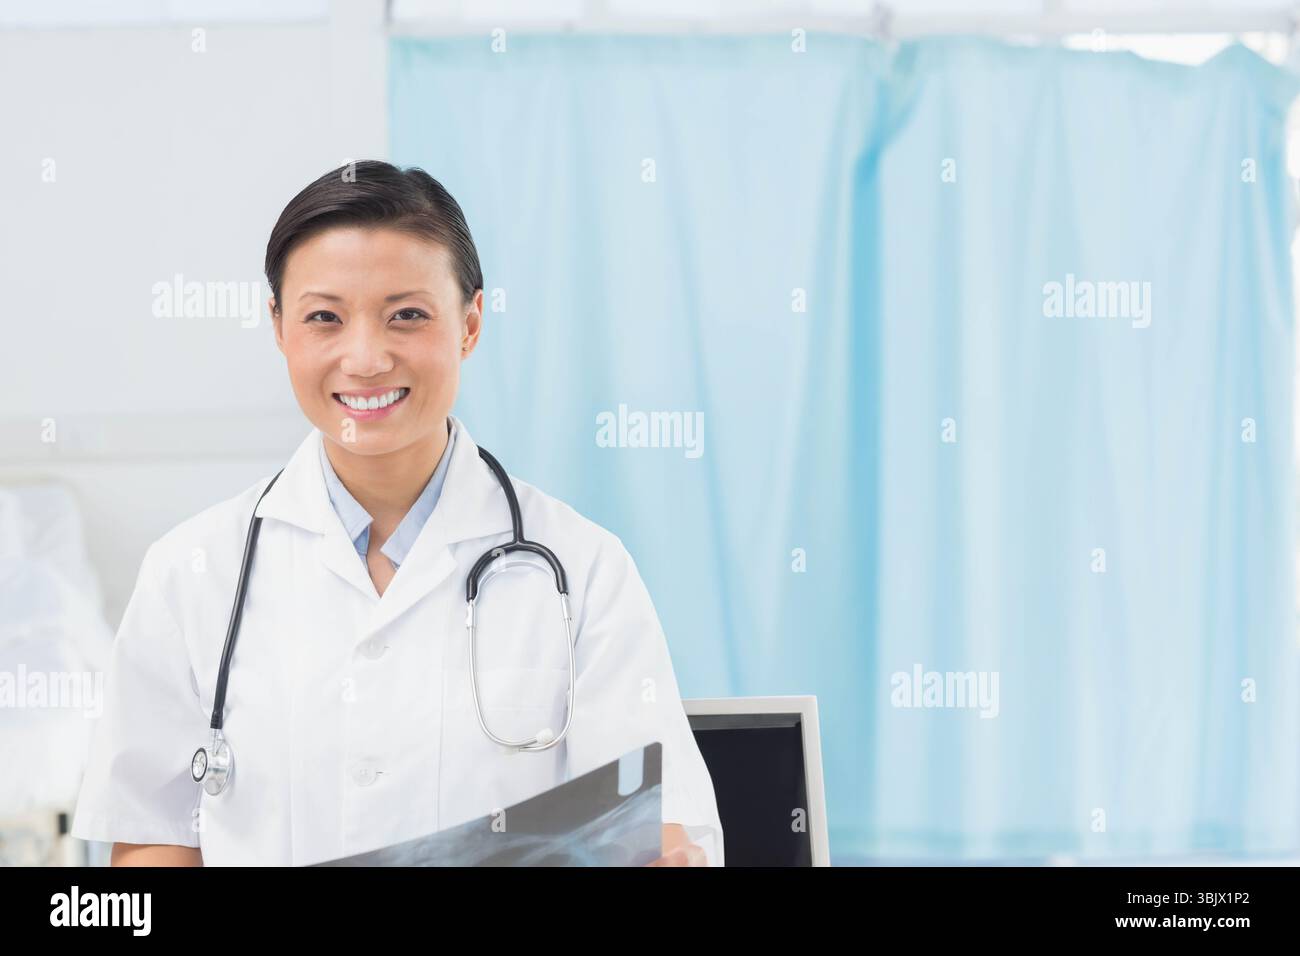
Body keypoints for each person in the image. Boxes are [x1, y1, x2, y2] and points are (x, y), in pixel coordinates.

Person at [70, 161, 723, 867]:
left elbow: (657, 830)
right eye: (325, 317)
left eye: (407, 315)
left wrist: (667, 856)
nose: (366, 357)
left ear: (470, 324)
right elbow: (152, 841)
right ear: (279, 327)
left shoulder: (585, 569)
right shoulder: (191, 572)